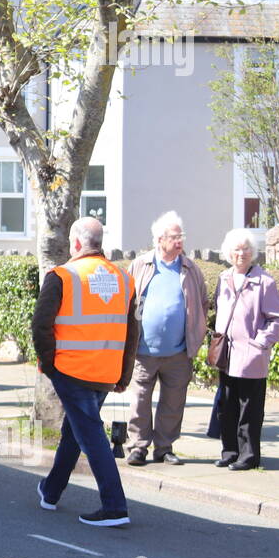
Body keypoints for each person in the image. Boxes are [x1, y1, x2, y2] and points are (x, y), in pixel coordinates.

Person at [34, 217, 141, 527]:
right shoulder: (124, 278)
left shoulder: (62, 275)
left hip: (71, 370)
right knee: (76, 431)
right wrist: (123, 374)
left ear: (77, 244)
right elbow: (132, 331)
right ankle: (50, 491)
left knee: (91, 436)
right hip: (104, 373)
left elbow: (41, 325)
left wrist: (49, 364)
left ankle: (115, 506)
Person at [125, 212, 209, 466]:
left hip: (178, 351)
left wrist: (196, 332)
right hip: (143, 350)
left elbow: (202, 303)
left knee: (173, 402)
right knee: (140, 401)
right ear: (160, 239)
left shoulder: (190, 269)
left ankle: (164, 448)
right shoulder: (141, 265)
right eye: (175, 237)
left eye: (181, 236)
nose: (180, 241)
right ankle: (138, 447)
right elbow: (127, 301)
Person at [212, 228, 279, 471]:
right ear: (229, 253)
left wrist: (261, 343)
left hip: (251, 356)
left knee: (250, 409)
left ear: (252, 252)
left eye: (246, 249)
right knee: (227, 405)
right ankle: (230, 451)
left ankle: (249, 455)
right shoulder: (223, 278)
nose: (241, 253)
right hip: (227, 354)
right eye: (236, 249)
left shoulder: (264, 281)